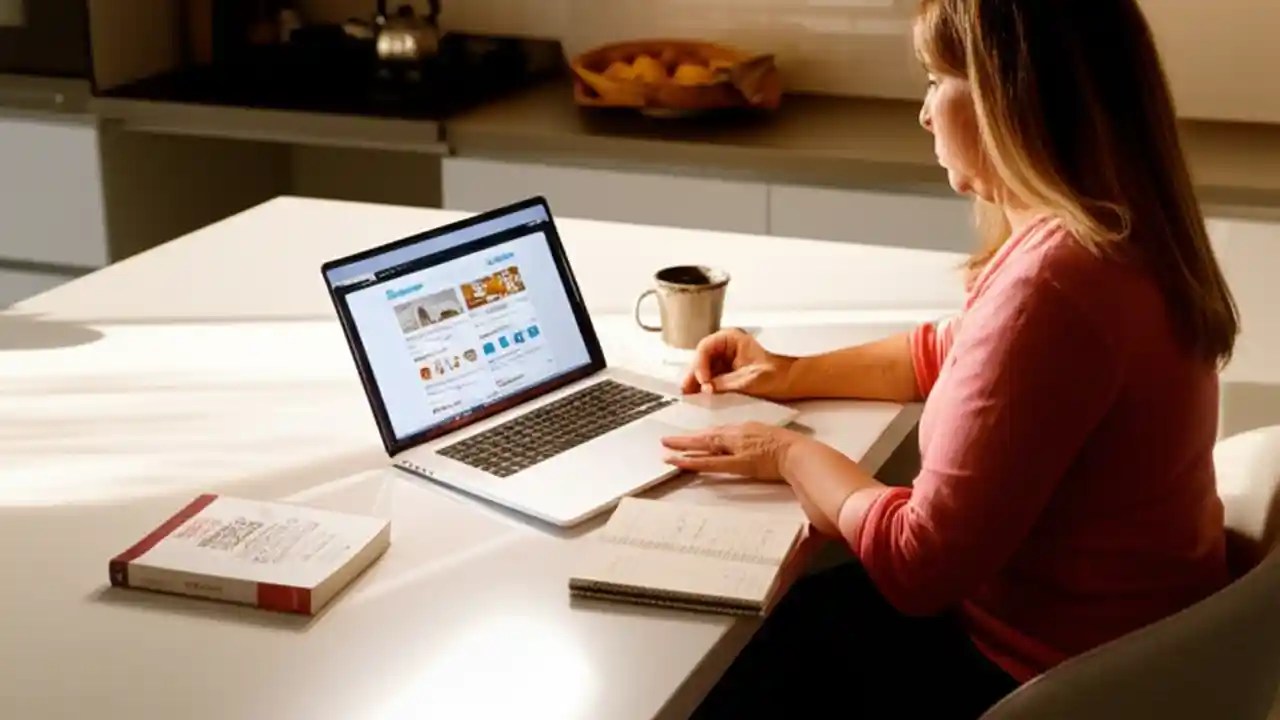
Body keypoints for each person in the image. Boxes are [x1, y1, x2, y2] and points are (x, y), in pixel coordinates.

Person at [661, 1, 1240, 717]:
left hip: (1043, 681)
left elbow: (918, 564)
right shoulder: (1114, 230)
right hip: (1126, 651)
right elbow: (954, 351)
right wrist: (789, 371)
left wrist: (787, 455)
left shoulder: (1057, 287)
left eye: (938, 79)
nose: (925, 113)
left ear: (1012, 97)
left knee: (723, 667)